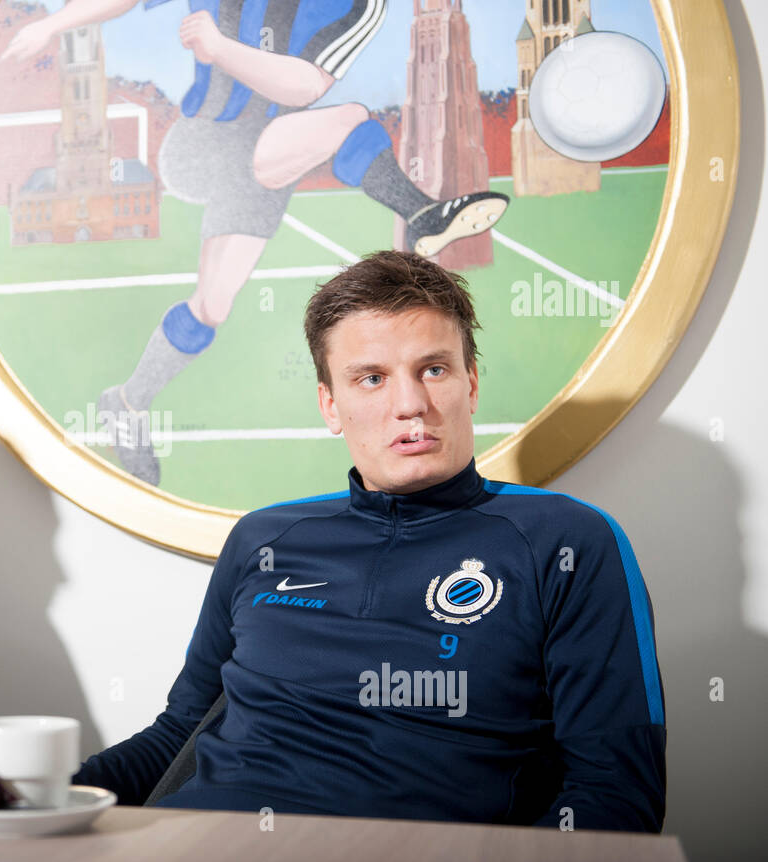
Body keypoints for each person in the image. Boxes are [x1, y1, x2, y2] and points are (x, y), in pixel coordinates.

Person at [73, 250, 666, 832]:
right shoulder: (262, 539)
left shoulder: (566, 542)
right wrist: (51, 793)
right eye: (373, 379)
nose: (410, 405)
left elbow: (616, 794)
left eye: (434, 369)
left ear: (471, 384)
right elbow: (178, 737)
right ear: (331, 404)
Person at [4, 0, 508, 485]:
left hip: (266, 159)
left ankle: (127, 401)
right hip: (206, 144)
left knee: (210, 307)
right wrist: (52, 25)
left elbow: (305, 85)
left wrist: (219, 46)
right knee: (349, 118)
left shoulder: (359, 5)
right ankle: (421, 212)